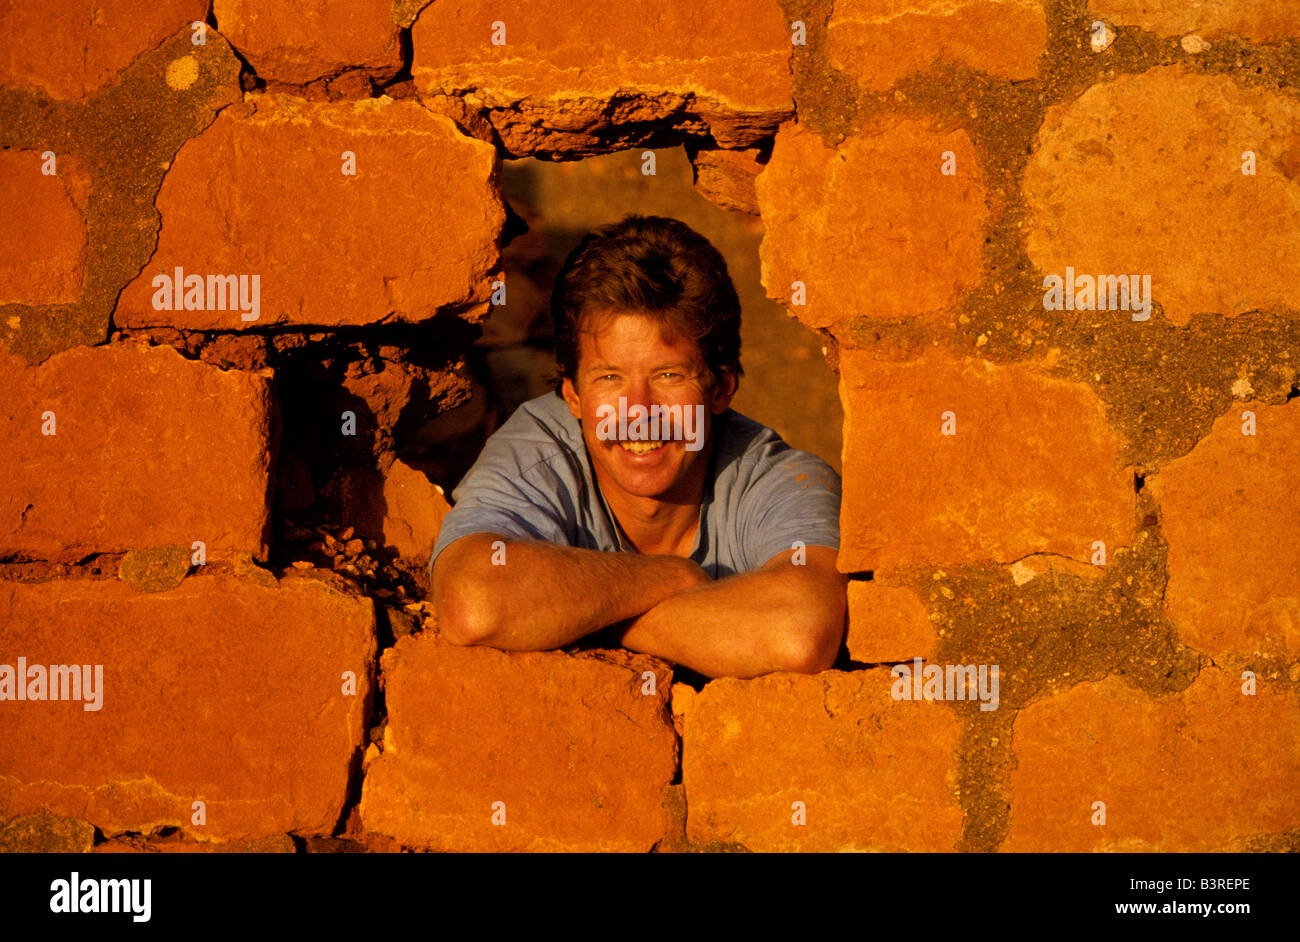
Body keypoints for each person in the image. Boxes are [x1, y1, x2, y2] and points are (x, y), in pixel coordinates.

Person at [429, 214, 846, 679]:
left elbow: (798, 635)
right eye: (610, 378)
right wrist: (673, 577)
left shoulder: (778, 480)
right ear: (572, 395)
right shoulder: (538, 453)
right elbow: (473, 602)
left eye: (669, 375)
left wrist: (579, 617)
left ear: (721, 388)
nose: (639, 412)